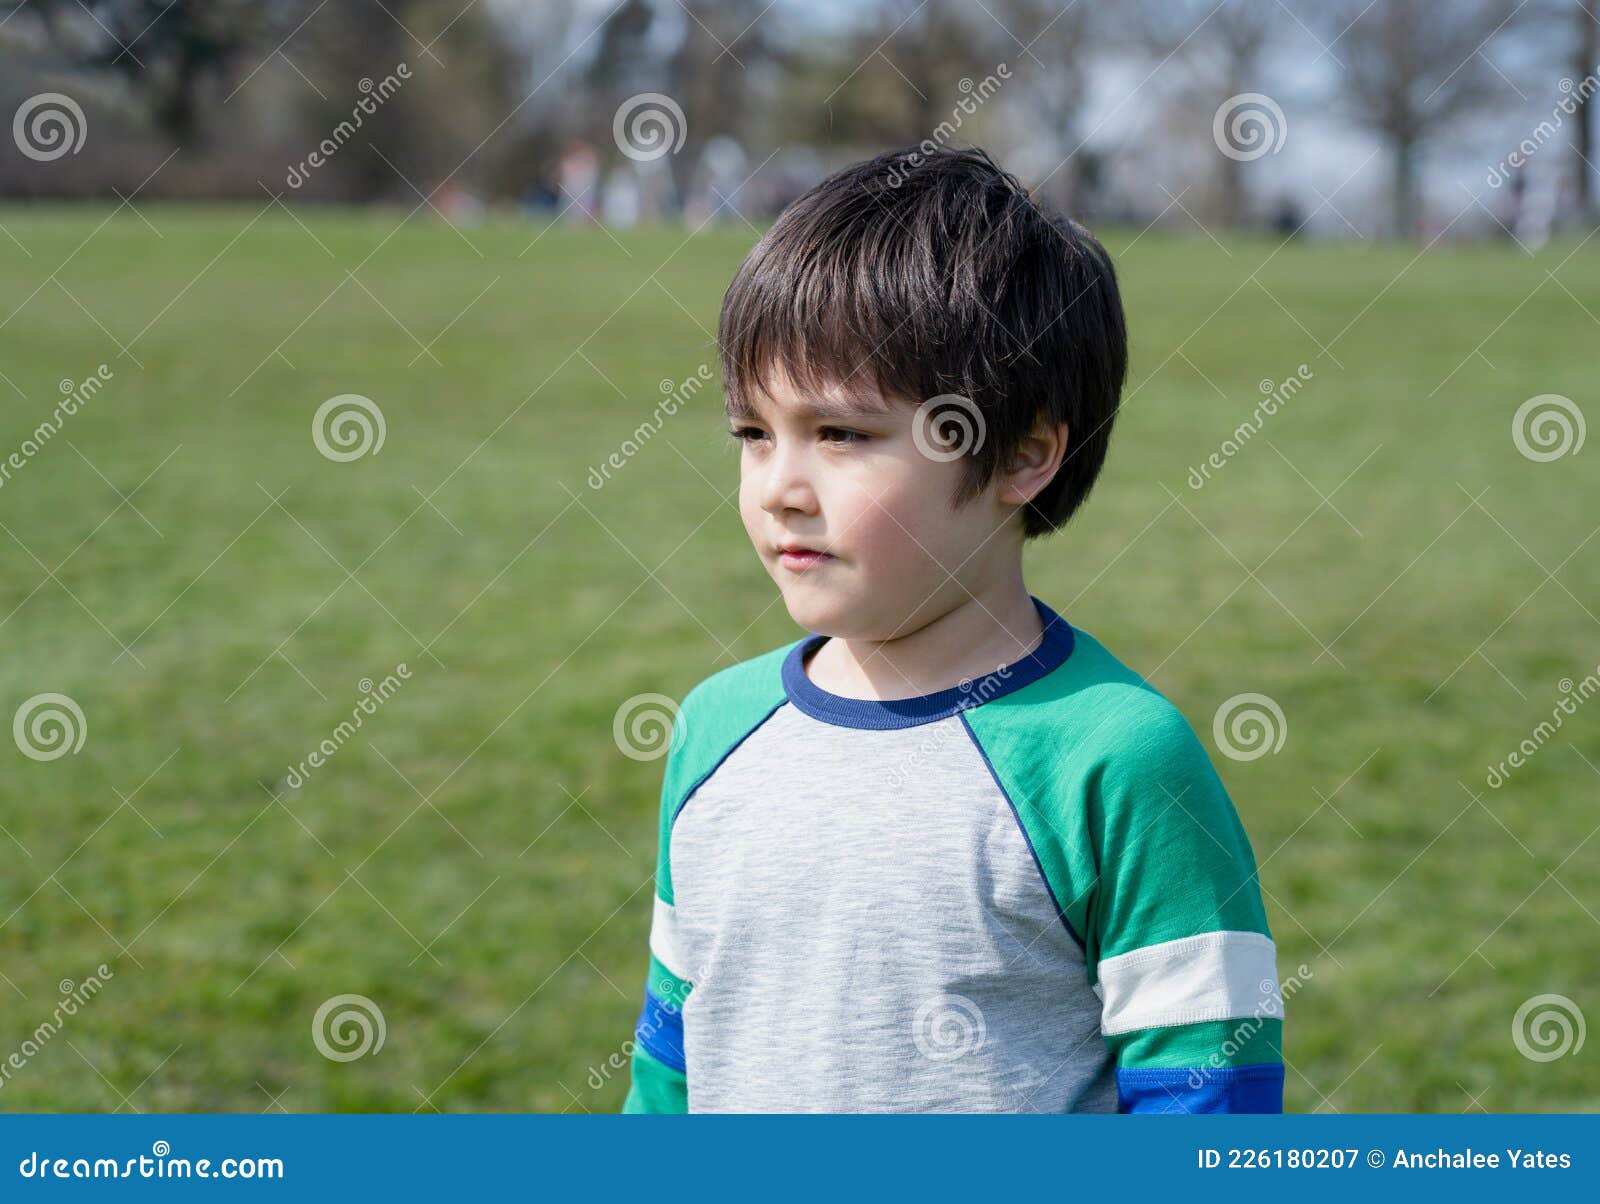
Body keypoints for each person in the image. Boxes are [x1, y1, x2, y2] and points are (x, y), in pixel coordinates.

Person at [621, 146, 1284, 1114]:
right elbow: (669, 1061)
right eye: (753, 433)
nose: (779, 489)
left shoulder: (1114, 759)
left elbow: (1206, 1099)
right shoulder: (717, 727)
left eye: (841, 434)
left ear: (1020, 455)